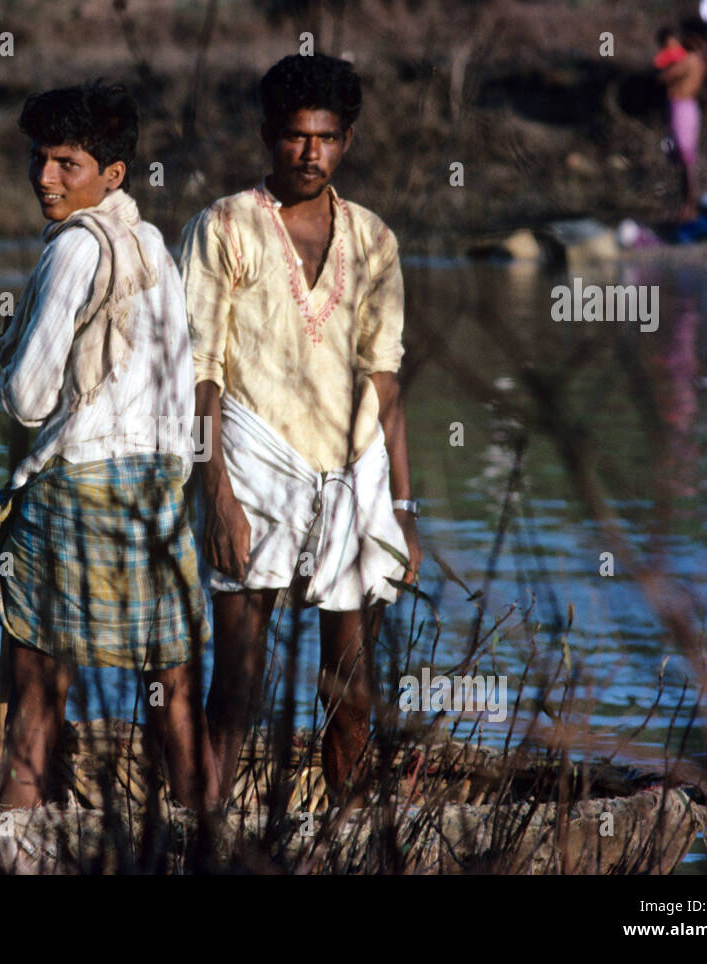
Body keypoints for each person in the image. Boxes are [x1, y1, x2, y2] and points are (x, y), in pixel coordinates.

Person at [0, 80, 218, 811]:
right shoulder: (155, 250)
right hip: (158, 493)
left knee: (35, 684)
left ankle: (16, 835)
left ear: (113, 174)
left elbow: (30, 397)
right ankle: (204, 838)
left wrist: (8, 361)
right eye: (39, 159)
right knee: (173, 687)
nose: (45, 178)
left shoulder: (76, 249)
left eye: (66, 163)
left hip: (76, 485)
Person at [179, 53, 421, 802]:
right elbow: (197, 375)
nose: (309, 153)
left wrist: (406, 510)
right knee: (237, 686)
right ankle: (206, 838)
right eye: (294, 137)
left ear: (346, 140)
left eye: (325, 137)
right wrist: (214, 492)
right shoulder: (225, 226)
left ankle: (345, 832)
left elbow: (385, 377)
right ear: (267, 136)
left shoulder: (374, 241)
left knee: (350, 691)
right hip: (249, 464)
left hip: (352, 471)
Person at [659, 19, 707, 222]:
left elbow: (664, 78)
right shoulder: (699, 59)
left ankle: (690, 207)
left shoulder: (690, 60)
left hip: (683, 107)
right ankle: (686, 206)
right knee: (683, 160)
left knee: (686, 160)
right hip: (682, 107)